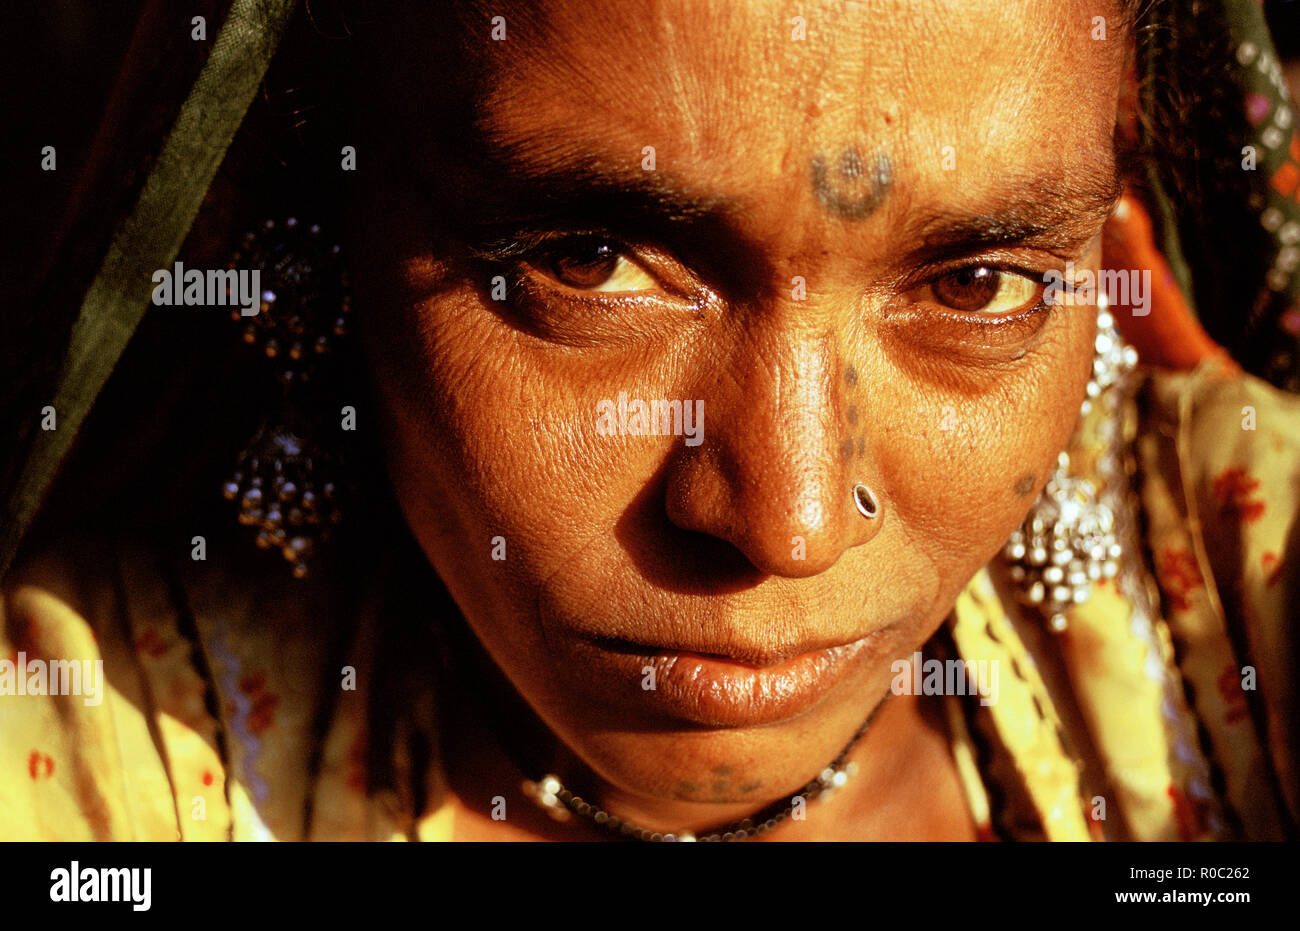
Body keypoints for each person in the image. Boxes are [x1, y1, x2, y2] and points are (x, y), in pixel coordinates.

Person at [1, 0, 1297, 842]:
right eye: (588, 262)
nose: (787, 524)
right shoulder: (99, 741)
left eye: (976, 283)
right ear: (314, 218)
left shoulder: (1224, 596)